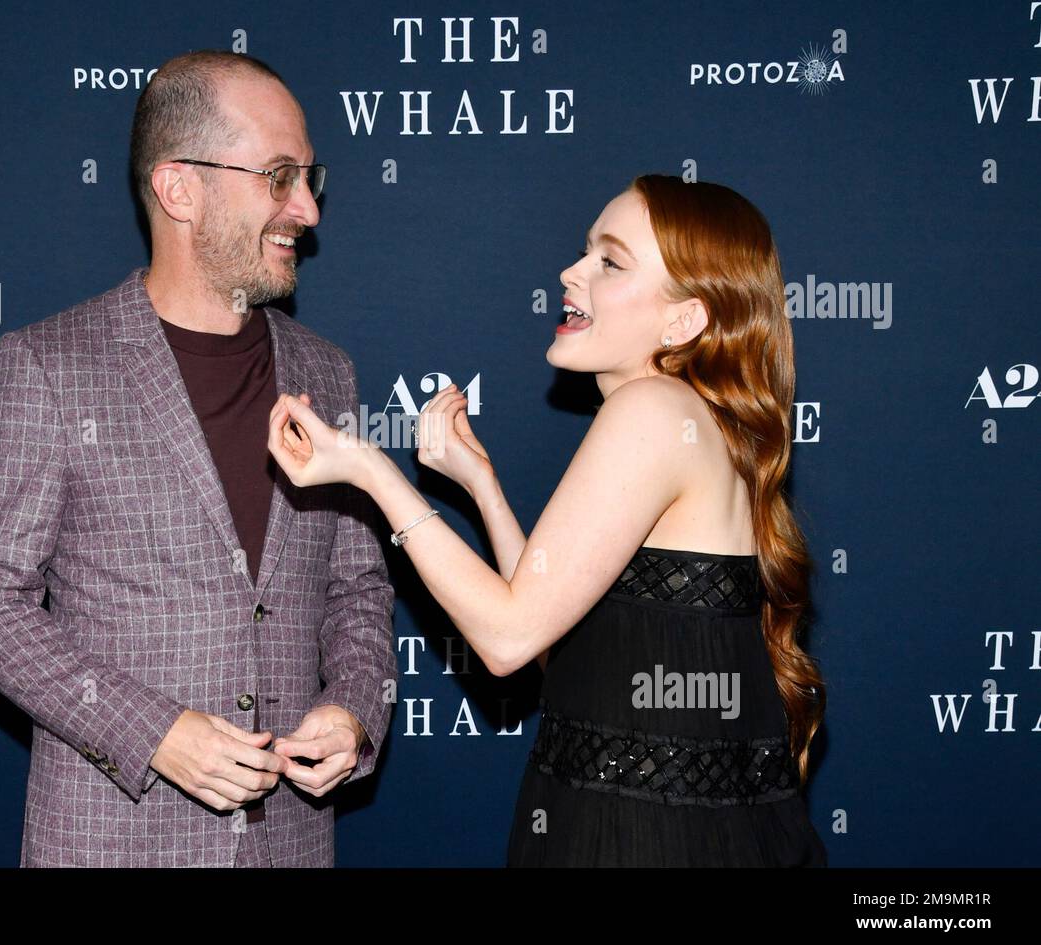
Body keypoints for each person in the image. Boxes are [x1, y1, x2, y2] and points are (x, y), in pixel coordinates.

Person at [267, 174, 829, 866]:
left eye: (610, 261)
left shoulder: (653, 411)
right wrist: (485, 489)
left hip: (642, 841)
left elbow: (504, 639)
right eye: (586, 250)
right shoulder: (688, 419)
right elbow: (550, 648)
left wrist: (371, 471)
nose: (571, 271)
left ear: (684, 320)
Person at [0, 50, 397, 868]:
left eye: (309, 177)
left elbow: (355, 589)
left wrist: (353, 708)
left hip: (288, 846)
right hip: (112, 843)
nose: (307, 209)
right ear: (180, 187)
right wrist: (154, 733)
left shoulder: (327, 371)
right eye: (279, 175)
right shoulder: (50, 363)